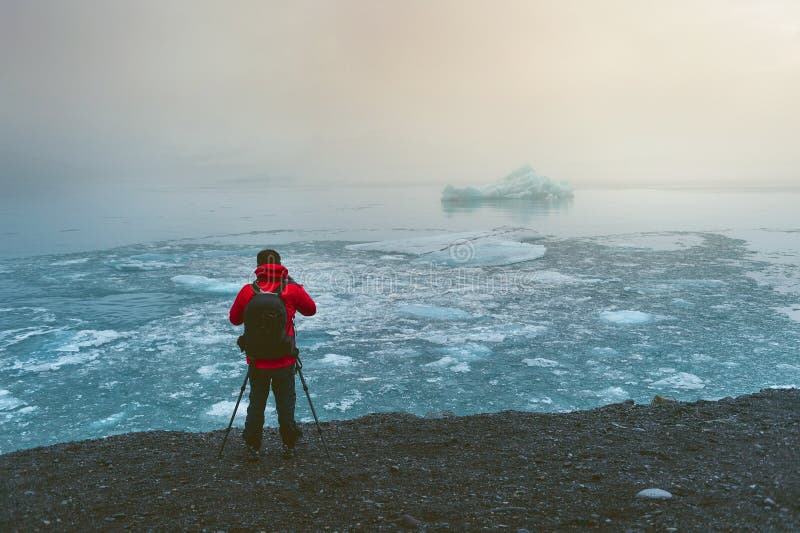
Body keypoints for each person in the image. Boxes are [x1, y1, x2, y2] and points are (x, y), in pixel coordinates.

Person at [229, 248, 316, 461]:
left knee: (257, 400)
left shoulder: (248, 291)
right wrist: (295, 289)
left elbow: (235, 319)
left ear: (258, 267)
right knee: (285, 401)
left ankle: (252, 445)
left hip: (257, 360)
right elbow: (311, 310)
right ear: (280, 264)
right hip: (284, 358)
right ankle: (289, 444)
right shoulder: (291, 289)